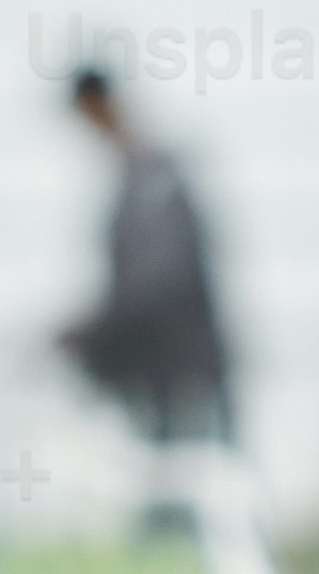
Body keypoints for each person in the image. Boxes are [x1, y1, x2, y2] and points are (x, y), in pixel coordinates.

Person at [53, 58, 238, 456]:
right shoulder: (136, 178)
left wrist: (96, 328)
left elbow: (158, 278)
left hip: (183, 364)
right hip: (156, 368)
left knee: (199, 477)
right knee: (168, 474)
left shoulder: (158, 178)